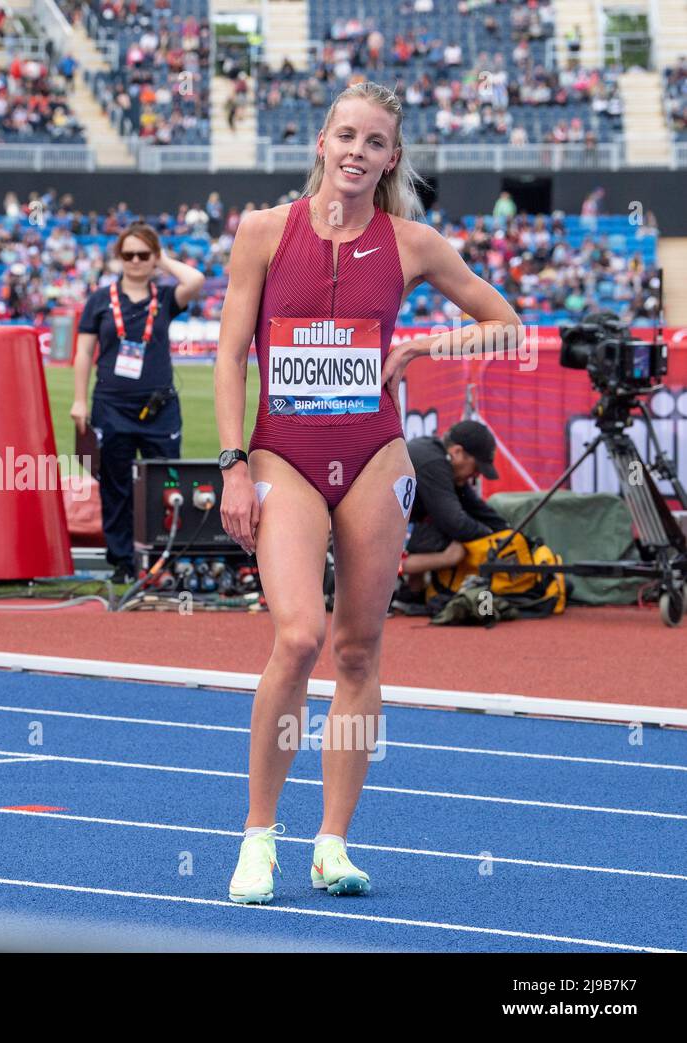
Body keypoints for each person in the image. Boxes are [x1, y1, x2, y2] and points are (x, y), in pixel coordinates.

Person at [214, 81, 527, 904]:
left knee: (358, 648)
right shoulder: (261, 232)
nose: (357, 151)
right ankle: (257, 835)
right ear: (321, 142)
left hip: (374, 453)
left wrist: (429, 342)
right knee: (296, 635)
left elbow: (507, 322)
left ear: (392, 158)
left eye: (375, 142)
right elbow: (229, 355)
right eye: (345, 135)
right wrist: (232, 464)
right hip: (285, 453)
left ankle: (334, 842)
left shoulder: (414, 242)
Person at [72, 224, 205, 584]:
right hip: (111, 406)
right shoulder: (100, 300)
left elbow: (195, 279)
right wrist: (79, 400)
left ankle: (163, 558)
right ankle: (122, 561)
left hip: (159, 408)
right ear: (119, 257)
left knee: (165, 482)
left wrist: (162, 259)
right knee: (115, 485)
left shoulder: (164, 297)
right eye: (128, 254)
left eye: (143, 255)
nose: (135, 261)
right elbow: (84, 352)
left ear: (153, 258)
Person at [393, 420, 508, 613]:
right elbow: (455, 523)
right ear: (457, 452)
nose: (476, 476)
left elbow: (474, 507)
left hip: (390, 527)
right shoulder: (434, 463)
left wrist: (508, 533)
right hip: (366, 533)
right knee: (453, 544)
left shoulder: (442, 459)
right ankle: (403, 588)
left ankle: (412, 591)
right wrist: (490, 538)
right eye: (477, 468)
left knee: (445, 529)